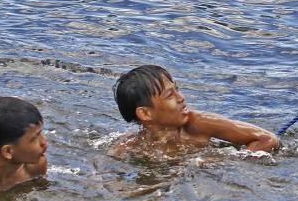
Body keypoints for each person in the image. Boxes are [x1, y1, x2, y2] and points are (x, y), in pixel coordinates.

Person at [111, 64, 279, 157]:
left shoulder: (198, 123)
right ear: (145, 114)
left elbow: (267, 139)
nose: (181, 97)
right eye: (170, 95)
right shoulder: (131, 144)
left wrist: (224, 162)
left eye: (177, 89)